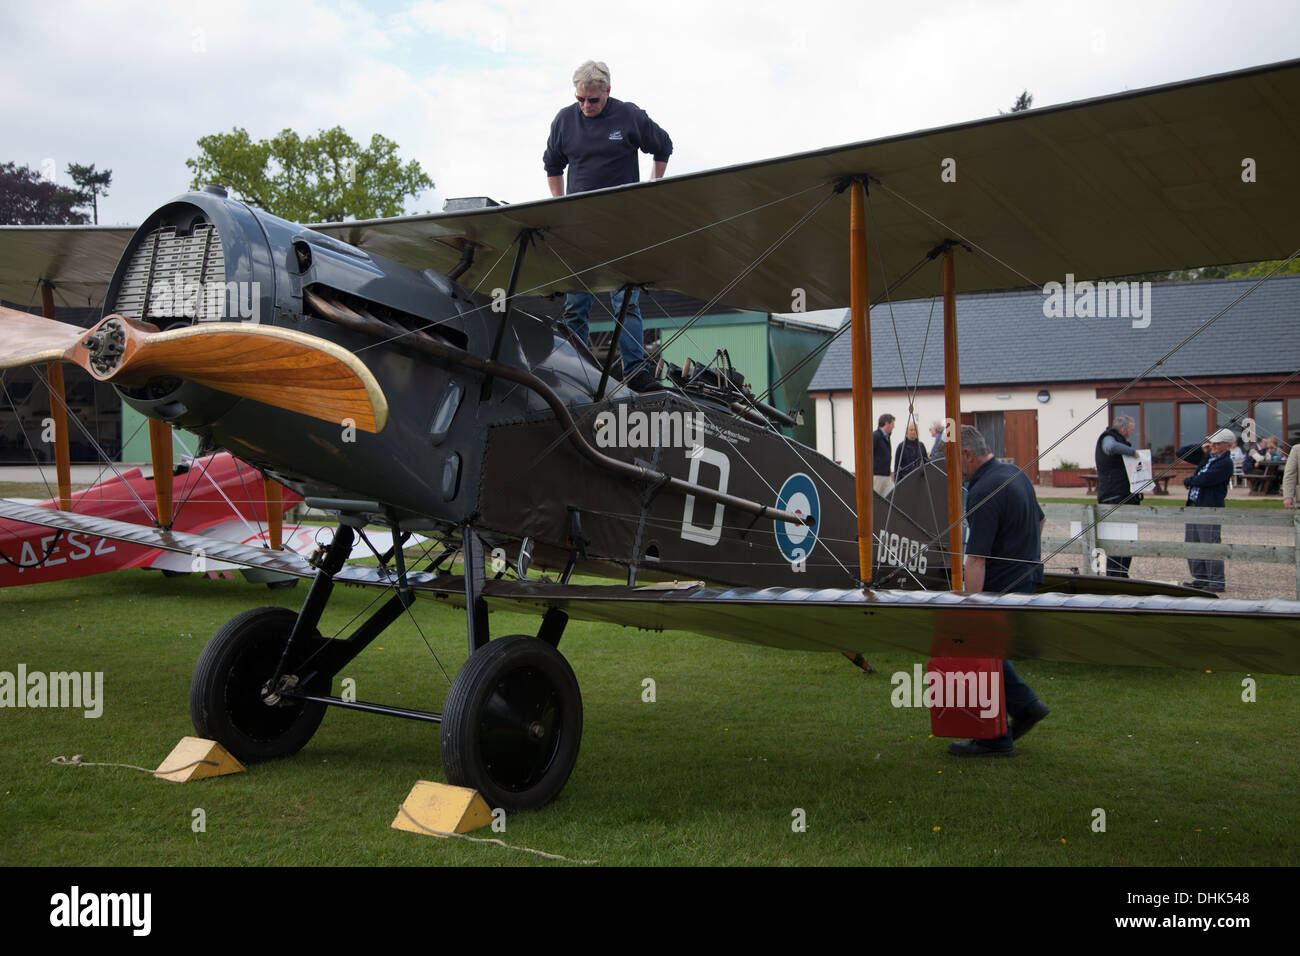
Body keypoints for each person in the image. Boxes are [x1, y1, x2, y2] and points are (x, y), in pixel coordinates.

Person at [543, 60, 673, 393]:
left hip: (621, 225)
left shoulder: (629, 116)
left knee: (626, 301)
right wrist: (560, 206)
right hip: (579, 227)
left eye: (594, 100)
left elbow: (663, 145)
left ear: (608, 92)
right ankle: (578, 372)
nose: (586, 105)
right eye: (581, 99)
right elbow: (552, 165)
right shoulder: (564, 121)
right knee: (576, 306)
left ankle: (636, 372)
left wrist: (653, 185)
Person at [947, 425, 1050, 757]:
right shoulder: (1014, 472)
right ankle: (1026, 708)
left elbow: (976, 559)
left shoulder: (982, 490)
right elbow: (1040, 522)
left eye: (953, 460)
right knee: (989, 653)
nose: (951, 469)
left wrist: (969, 607)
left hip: (1001, 585)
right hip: (1027, 578)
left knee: (973, 646)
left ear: (968, 454)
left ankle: (995, 738)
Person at [1175, 428, 1235, 592]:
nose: (1213, 445)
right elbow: (1181, 453)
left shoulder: (1225, 463)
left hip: (1210, 508)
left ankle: (1216, 581)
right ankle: (1201, 578)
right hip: (1194, 505)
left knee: (1210, 544)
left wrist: (1189, 480)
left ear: (1227, 446)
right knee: (1193, 543)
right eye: (1212, 442)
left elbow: (1206, 479)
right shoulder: (1207, 456)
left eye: (1218, 443)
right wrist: (1201, 447)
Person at [1094, 414, 1143, 577]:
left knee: (1127, 537)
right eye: (1131, 429)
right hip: (1115, 496)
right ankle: (1115, 575)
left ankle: (1121, 574)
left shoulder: (1115, 438)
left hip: (1123, 495)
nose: (1132, 432)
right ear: (1124, 429)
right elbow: (1111, 448)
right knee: (1117, 538)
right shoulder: (1108, 438)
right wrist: (1132, 452)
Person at [872, 414, 895, 496]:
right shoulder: (875, 436)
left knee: (891, 496)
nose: (893, 427)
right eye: (892, 424)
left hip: (886, 475)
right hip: (877, 475)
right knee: (875, 498)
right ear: (887, 424)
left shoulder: (886, 437)